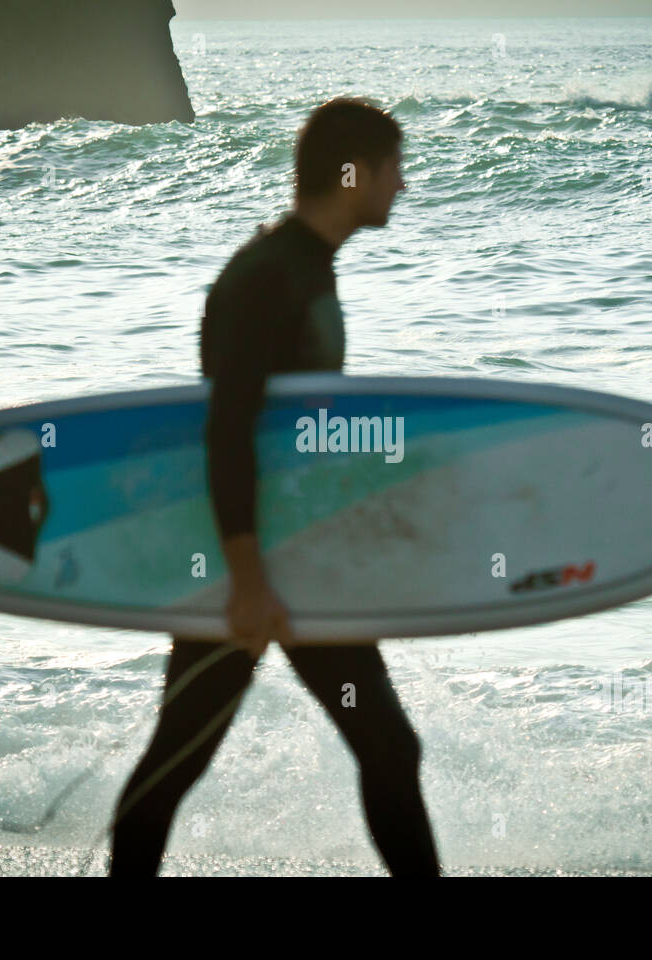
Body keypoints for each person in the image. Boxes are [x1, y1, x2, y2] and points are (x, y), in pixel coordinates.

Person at [108, 97, 441, 876]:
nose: (403, 185)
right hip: (250, 565)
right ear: (353, 171)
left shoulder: (301, 265)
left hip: (295, 559)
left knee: (385, 746)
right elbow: (227, 430)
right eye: (394, 168)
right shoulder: (268, 275)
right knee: (178, 759)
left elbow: (294, 436)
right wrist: (248, 578)